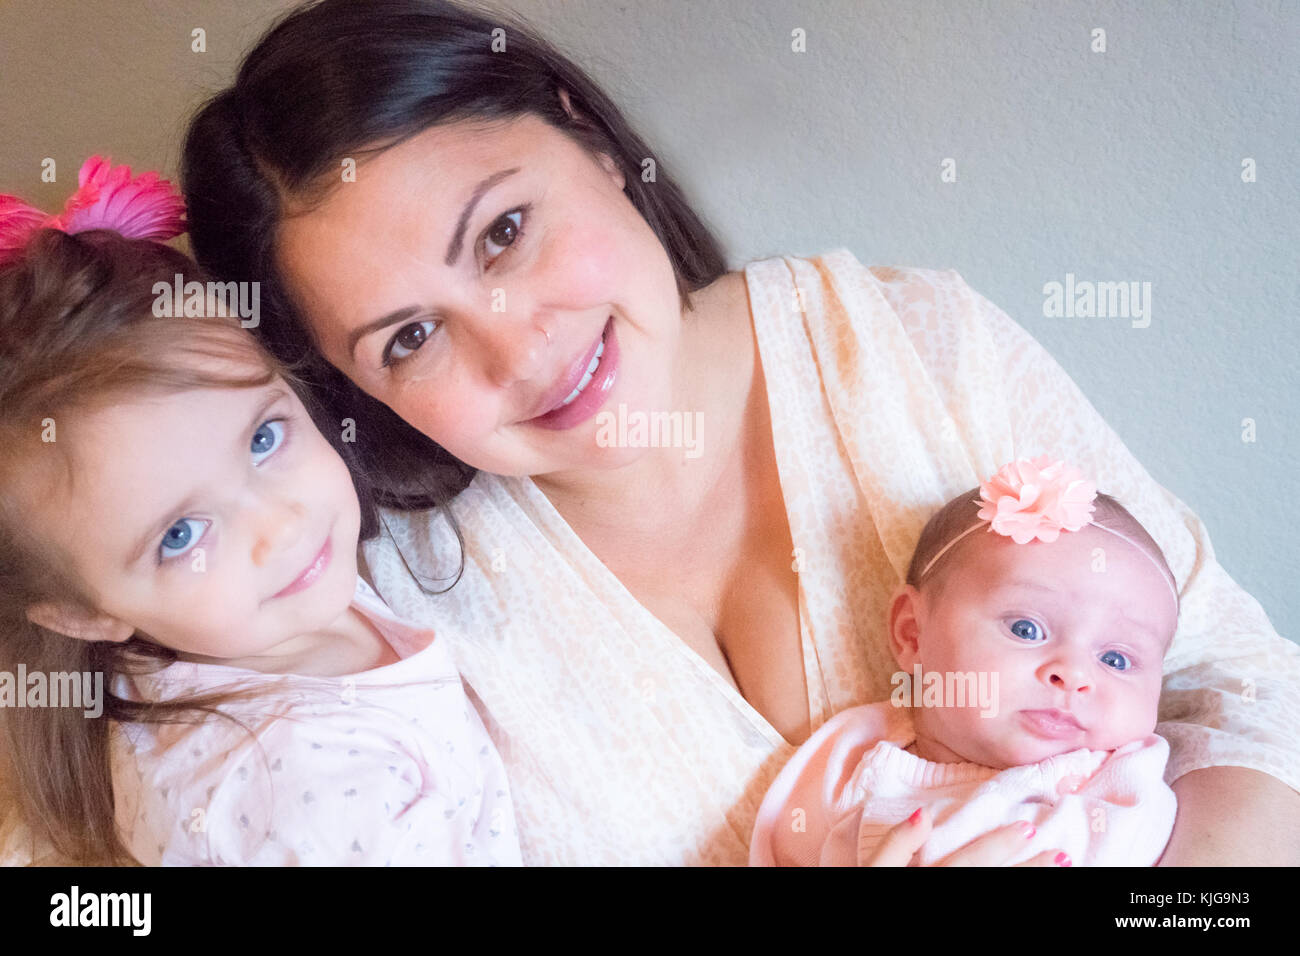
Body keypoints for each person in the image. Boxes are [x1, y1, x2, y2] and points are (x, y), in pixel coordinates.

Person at [179, 0, 1300, 865]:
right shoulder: (378, 609)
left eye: (506, 231)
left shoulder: (917, 344)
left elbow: (1247, 692)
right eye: (411, 336)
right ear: (356, 390)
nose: (519, 353)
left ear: (592, 139)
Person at [0, 158, 521, 866]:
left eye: (264, 438)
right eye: (180, 536)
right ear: (82, 612)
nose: (280, 526)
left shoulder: (208, 635)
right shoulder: (309, 794)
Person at [750, 457, 1179, 866]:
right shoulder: (851, 757)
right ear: (913, 634)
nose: (1074, 674)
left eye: (1116, 659)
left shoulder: (1119, 780)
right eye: (1026, 629)